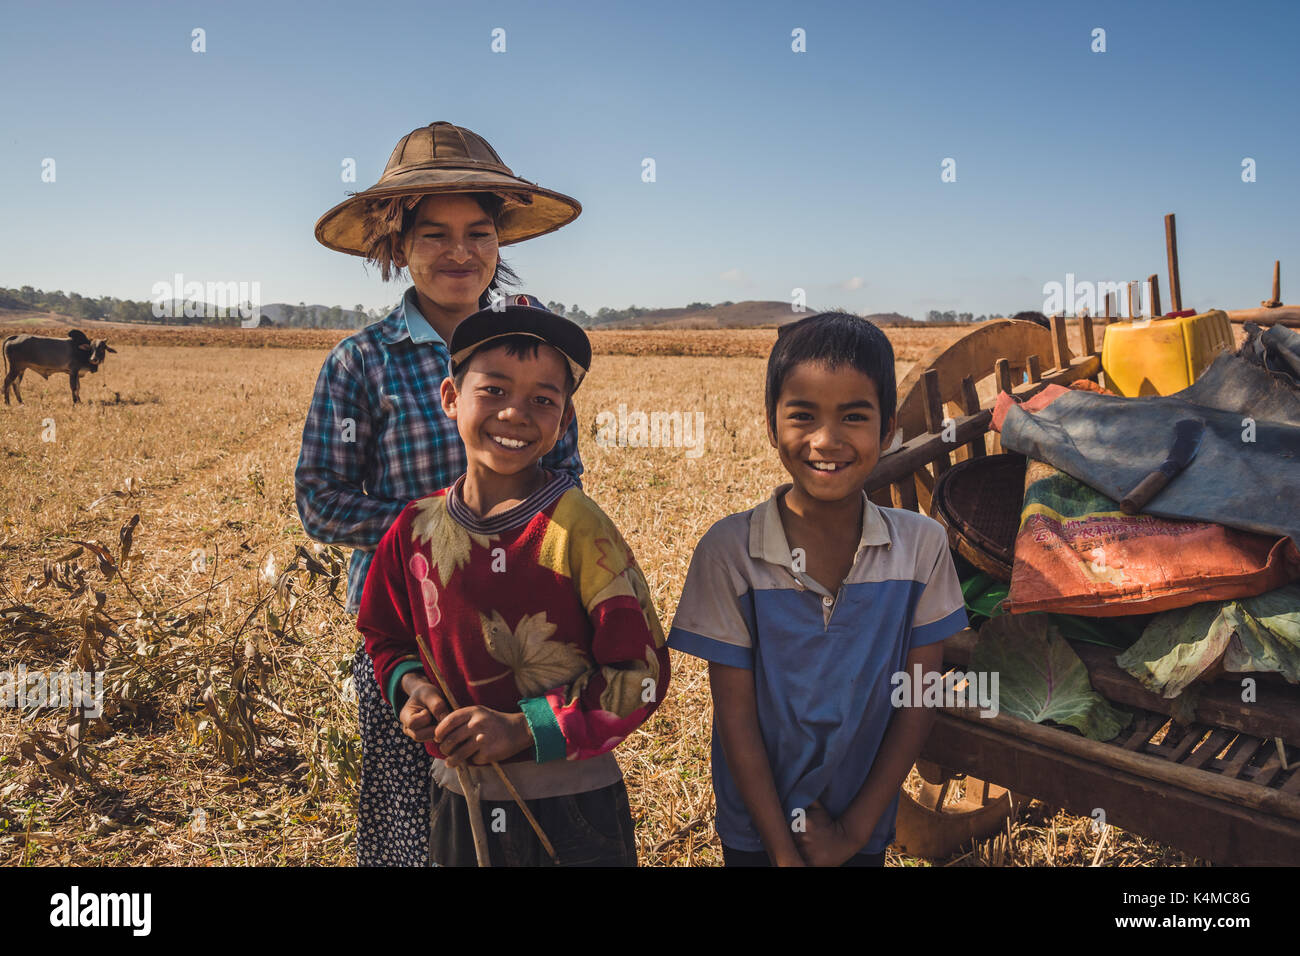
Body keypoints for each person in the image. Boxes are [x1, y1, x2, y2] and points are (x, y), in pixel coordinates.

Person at [295, 121, 584, 866]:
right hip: (404, 641)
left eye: (478, 233)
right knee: (411, 825)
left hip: (522, 633)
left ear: (499, 243)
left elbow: (568, 477)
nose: (460, 252)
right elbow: (321, 501)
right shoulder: (363, 363)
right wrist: (439, 525)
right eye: (435, 235)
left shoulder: (536, 353)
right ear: (399, 245)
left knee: (525, 819)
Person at [356, 300, 670, 866]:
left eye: (542, 400)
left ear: (564, 421)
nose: (514, 414)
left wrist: (524, 728)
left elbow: (642, 675)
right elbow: (386, 636)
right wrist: (413, 691)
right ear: (451, 398)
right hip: (458, 798)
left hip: (573, 805)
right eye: (494, 391)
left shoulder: (580, 532)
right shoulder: (415, 532)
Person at [667, 312, 968, 866]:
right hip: (756, 833)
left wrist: (851, 834)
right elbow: (735, 718)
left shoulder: (921, 547)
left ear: (888, 428)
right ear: (770, 422)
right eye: (803, 415)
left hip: (861, 828)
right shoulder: (731, 552)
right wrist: (783, 850)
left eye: (853, 416)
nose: (826, 440)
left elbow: (918, 700)